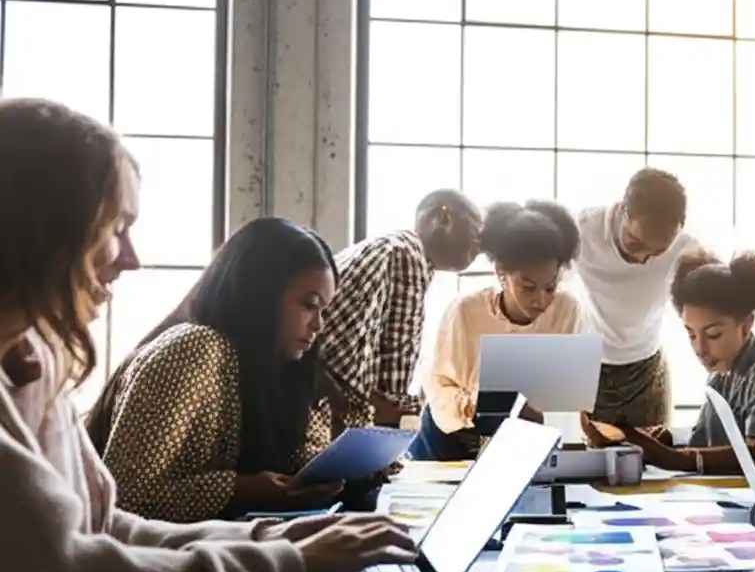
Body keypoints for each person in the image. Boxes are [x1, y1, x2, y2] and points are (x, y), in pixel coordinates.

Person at [0, 97, 415, 572]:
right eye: (114, 228)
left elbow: (107, 528)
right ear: (41, 229)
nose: (131, 258)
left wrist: (285, 538)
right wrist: (285, 556)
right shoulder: (194, 350)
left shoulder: (37, 361)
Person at [89, 218, 351, 523]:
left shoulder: (283, 363)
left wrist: (328, 471)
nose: (318, 325)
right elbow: (125, 499)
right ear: (260, 295)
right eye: (309, 304)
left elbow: (299, 457)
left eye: (324, 310)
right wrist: (238, 490)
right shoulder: (195, 349)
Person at [583, 250, 755, 475]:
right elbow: (706, 441)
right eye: (691, 334)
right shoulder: (720, 377)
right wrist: (664, 440)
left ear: (746, 324)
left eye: (713, 334)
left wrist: (676, 458)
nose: (700, 348)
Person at [409, 200, 583, 460]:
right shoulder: (466, 311)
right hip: (452, 440)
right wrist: (478, 405)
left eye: (550, 287)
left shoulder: (566, 308)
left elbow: (564, 396)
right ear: (501, 272)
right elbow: (440, 388)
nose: (541, 300)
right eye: (528, 287)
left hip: (525, 439)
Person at [322, 189, 482, 429]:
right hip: (330, 417)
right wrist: (384, 411)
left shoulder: (389, 248)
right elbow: (392, 378)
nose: (480, 246)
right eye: (476, 232)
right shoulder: (406, 255)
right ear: (443, 217)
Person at [576, 168, 697, 429]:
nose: (642, 259)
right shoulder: (583, 232)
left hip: (647, 367)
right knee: (585, 462)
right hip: (588, 367)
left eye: (658, 251)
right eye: (635, 243)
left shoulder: (687, 250)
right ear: (622, 210)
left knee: (654, 462)